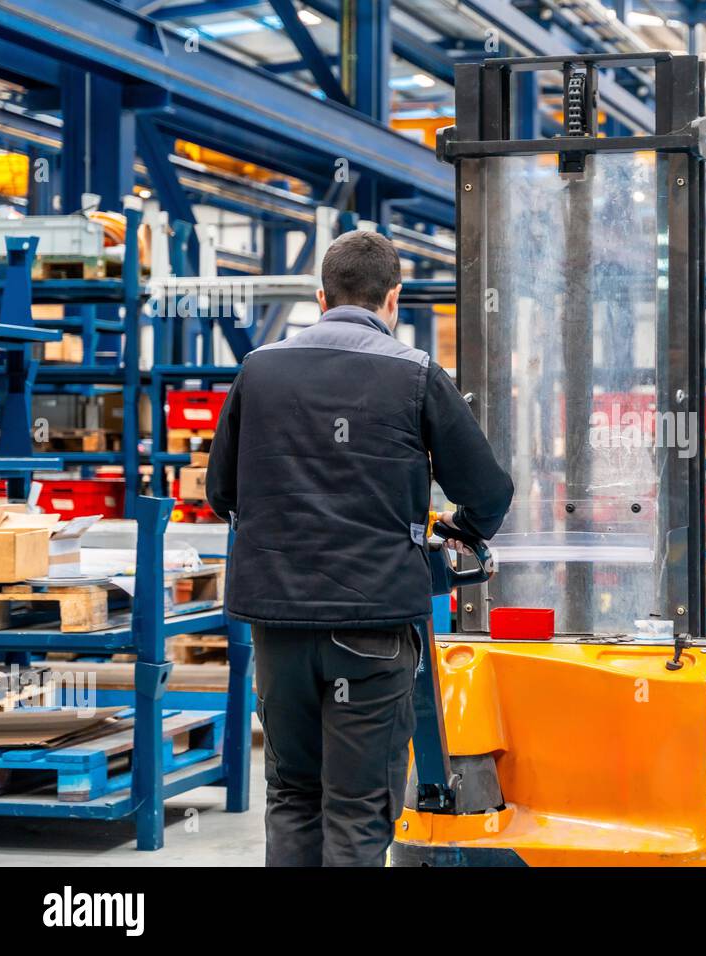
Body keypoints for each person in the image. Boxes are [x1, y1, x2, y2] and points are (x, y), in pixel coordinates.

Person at [206, 230, 513, 866]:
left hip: (278, 626)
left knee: (292, 795)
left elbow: (220, 492)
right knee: (356, 809)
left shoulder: (258, 367)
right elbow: (487, 492)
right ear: (393, 298)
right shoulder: (416, 372)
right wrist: (460, 525)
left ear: (322, 297)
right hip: (371, 628)